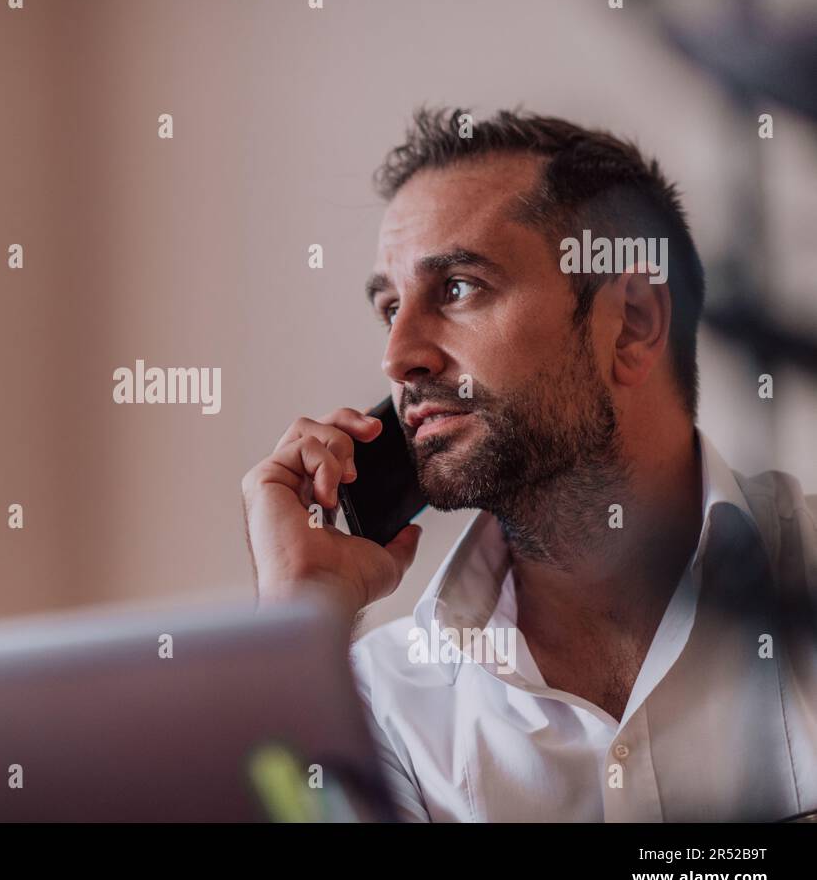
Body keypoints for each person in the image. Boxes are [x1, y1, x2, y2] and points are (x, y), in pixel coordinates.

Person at [240, 108, 817, 821]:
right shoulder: (379, 701)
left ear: (632, 324)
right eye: (390, 306)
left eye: (457, 288)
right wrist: (302, 613)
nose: (397, 357)